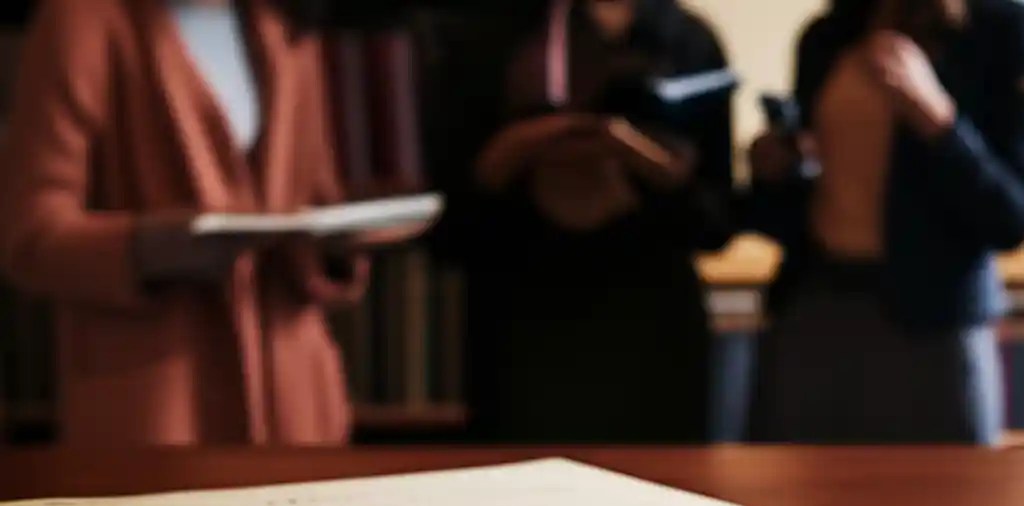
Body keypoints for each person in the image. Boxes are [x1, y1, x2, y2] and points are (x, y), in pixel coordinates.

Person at [0, 0, 395, 445]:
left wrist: (334, 249)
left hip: (295, 404)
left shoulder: (282, 24)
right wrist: (150, 249)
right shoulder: (80, 22)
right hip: (158, 409)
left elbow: (314, 195)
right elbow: (27, 236)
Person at [427, 0, 734, 443]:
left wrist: (641, 159)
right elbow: (449, 223)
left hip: (650, 320)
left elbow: (716, 220)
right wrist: (514, 152)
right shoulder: (483, 38)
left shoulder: (688, 43)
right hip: (525, 318)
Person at [747, 0, 1024, 444]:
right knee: (789, 504)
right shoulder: (826, 36)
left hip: (934, 326)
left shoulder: (1003, 27)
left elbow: (1014, 218)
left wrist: (937, 119)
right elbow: (799, 203)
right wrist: (776, 170)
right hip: (816, 311)